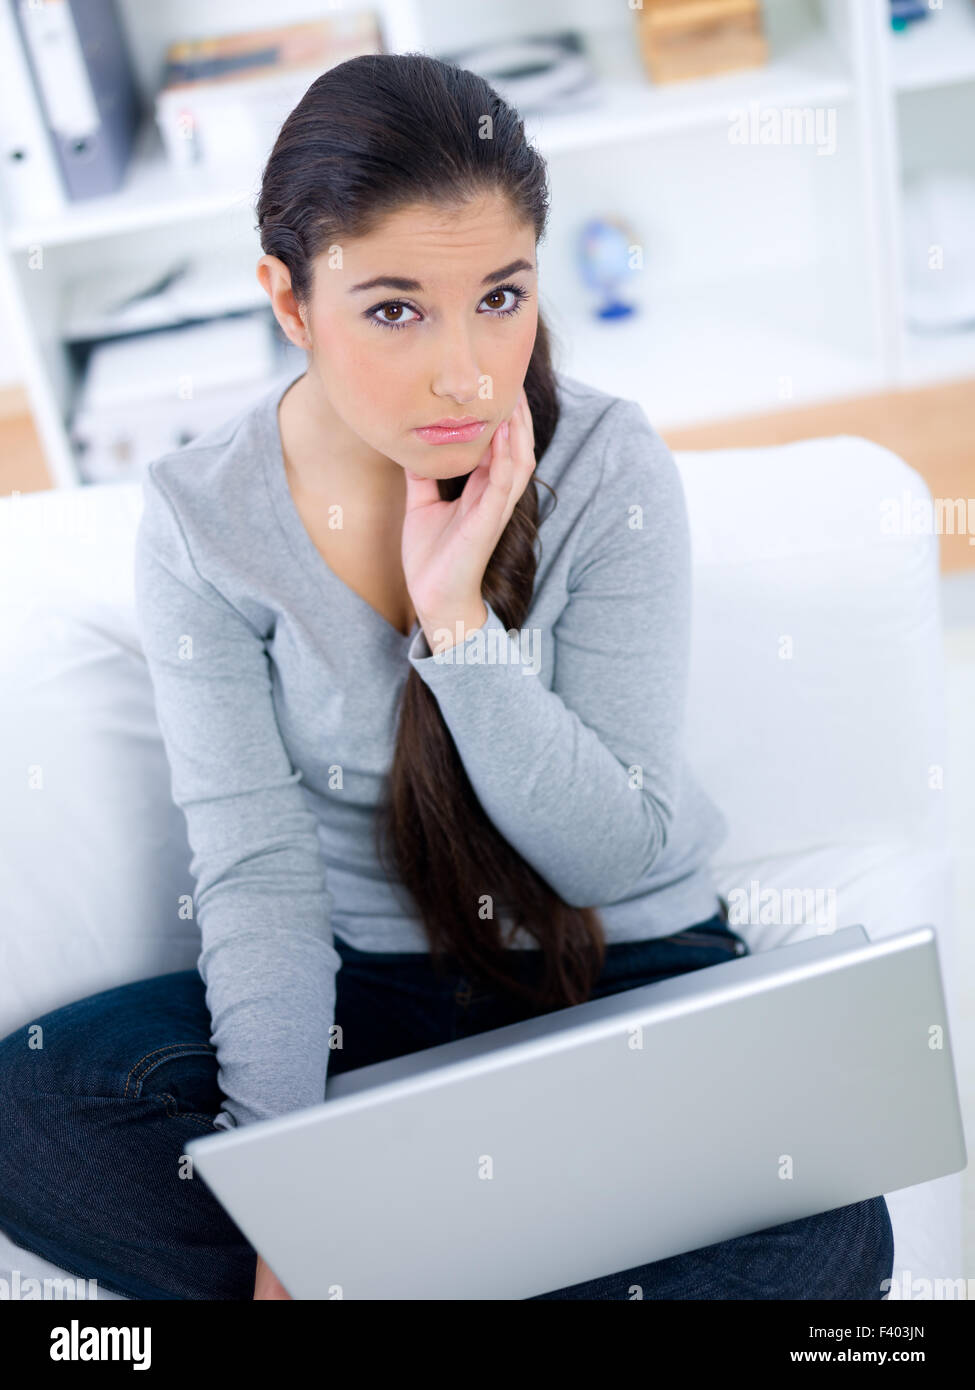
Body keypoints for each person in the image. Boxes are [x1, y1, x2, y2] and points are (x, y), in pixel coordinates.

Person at [0, 53, 893, 1301]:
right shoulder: (203, 519)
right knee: (42, 1106)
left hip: (615, 964)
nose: (468, 372)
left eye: (502, 296)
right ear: (289, 300)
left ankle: (423, 1264)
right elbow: (256, 877)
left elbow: (609, 858)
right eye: (395, 308)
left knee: (831, 1240)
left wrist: (461, 624)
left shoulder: (611, 468)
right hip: (370, 999)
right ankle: (478, 1249)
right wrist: (288, 1193)